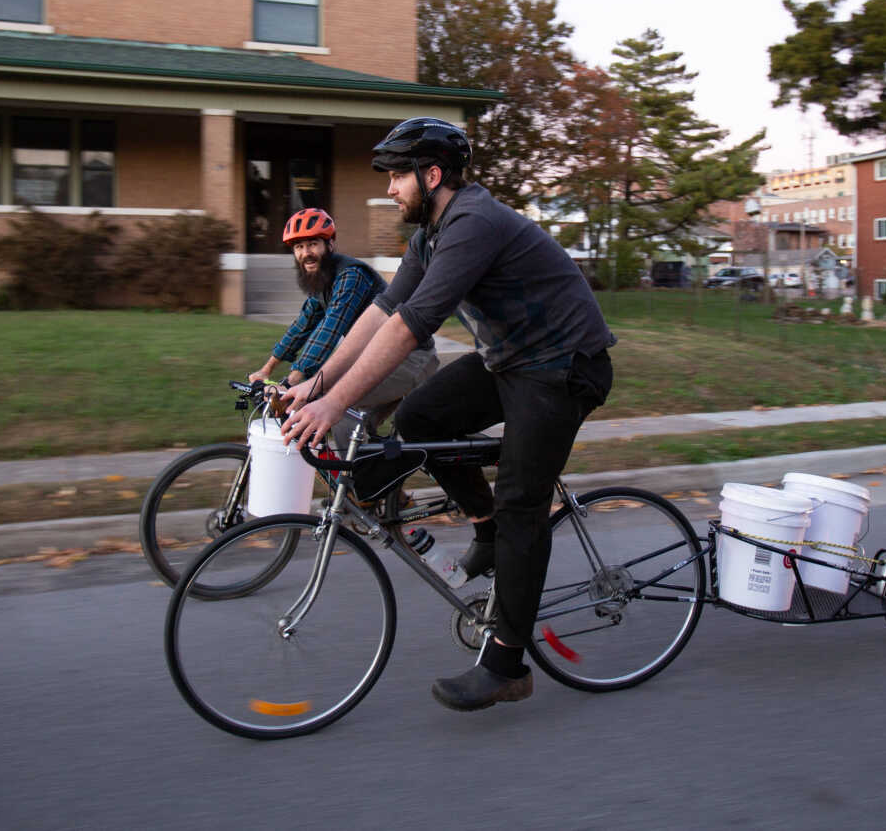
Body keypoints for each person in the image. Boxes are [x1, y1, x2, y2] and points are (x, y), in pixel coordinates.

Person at [280, 117, 616, 713]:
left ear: (431, 175)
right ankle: (484, 527)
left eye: (396, 177)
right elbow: (383, 312)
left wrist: (334, 404)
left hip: (564, 367)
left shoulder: (472, 222)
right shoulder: (429, 235)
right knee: (421, 419)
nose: (389, 189)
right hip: (511, 362)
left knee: (523, 500)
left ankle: (507, 665)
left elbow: (412, 328)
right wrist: (317, 382)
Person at [249, 207, 436, 448]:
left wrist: (292, 382)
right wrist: (266, 370)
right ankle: (380, 483)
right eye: (298, 247)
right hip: (379, 358)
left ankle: (359, 484)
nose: (306, 253)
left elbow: (329, 330)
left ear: (330, 245)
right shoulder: (323, 282)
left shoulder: (351, 276)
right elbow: (301, 327)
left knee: (338, 407)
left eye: (312, 244)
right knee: (357, 432)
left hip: (410, 358)